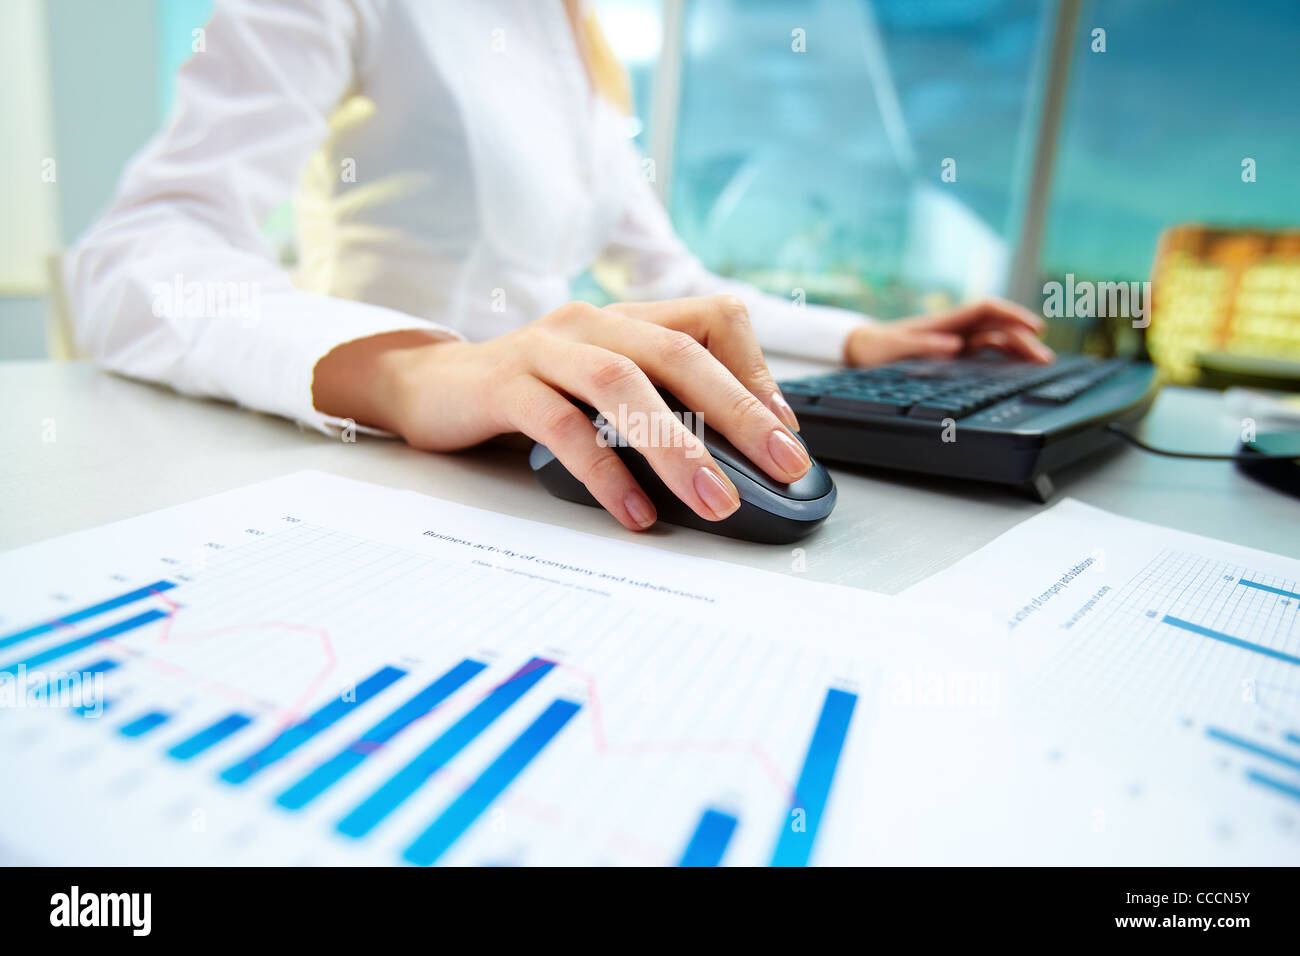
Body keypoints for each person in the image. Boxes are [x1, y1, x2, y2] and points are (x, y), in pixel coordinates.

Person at [67, 0, 1052, 532]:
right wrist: (419, 368)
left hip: (556, 454)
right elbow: (136, 253)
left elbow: (669, 274)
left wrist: (863, 336)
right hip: (378, 458)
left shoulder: (581, 49)